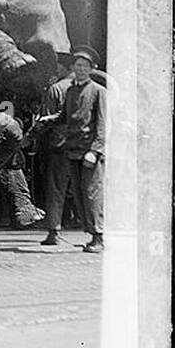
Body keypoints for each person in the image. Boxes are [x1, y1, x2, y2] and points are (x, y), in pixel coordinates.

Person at [41, 46, 106, 252]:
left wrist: (95, 151)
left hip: (89, 152)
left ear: (92, 69)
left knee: (92, 193)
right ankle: (92, 235)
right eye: (78, 65)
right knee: (79, 194)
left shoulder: (99, 92)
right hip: (72, 150)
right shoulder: (70, 91)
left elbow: (103, 125)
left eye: (85, 66)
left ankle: (98, 236)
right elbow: (65, 117)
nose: (81, 69)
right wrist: (48, 119)